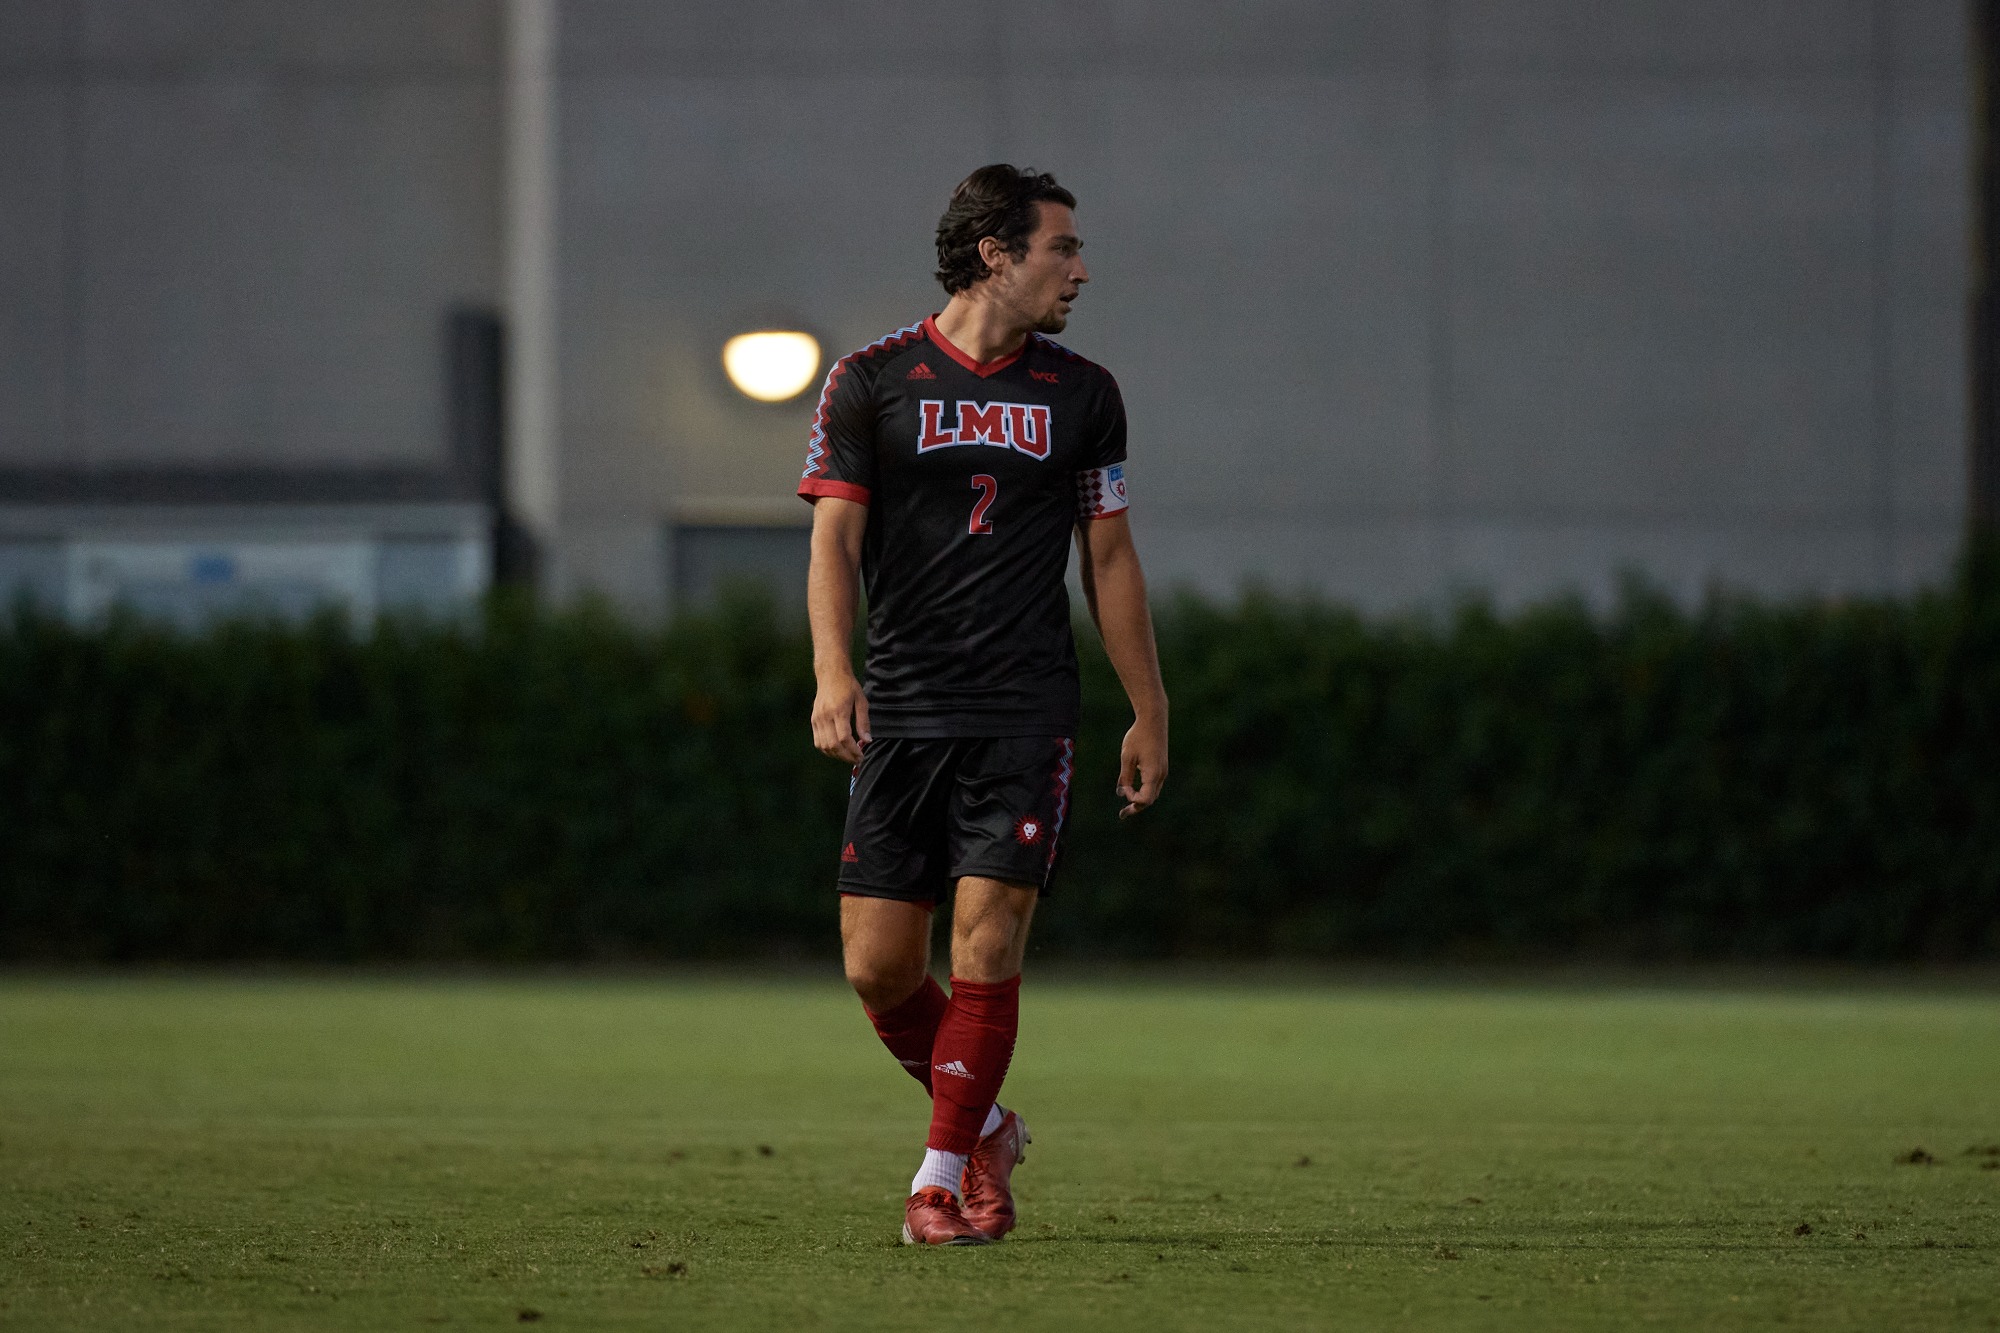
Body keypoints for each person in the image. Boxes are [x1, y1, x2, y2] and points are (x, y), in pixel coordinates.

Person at [798, 164, 1170, 1246]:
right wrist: (832, 671)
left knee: (986, 938)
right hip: (904, 712)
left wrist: (1146, 706)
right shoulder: (868, 381)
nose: (1080, 269)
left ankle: (937, 1175)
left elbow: (1109, 557)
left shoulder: (1083, 394)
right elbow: (833, 540)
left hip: (1024, 711)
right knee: (876, 965)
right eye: (1061, 248)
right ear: (994, 254)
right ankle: (990, 1125)